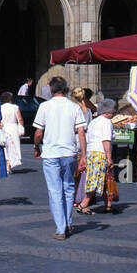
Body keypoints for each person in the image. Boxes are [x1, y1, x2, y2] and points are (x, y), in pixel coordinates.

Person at [32, 76, 88, 241]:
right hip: (69, 153)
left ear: (51, 89)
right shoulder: (74, 107)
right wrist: (83, 155)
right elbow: (81, 132)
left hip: (51, 154)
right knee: (69, 188)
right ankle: (68, 223)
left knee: (55, 191)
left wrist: (36, 147)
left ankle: (60, 228)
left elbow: (38, 132)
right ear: (66, 89)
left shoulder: (44, 106)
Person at [80, 98, 117, 214]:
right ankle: (83, 204)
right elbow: (106, 140)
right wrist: (109, 157)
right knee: (95, 179)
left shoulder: (94, 122)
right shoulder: (106, 122)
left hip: (91, 152)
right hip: (100, 153)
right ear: (108, 112)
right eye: (113, 111)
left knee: (104, 178)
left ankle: (108, 204)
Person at [71, 87, 95, 212]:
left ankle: (74, 197)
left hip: (75, 140)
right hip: (86, 141)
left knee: (73, 172)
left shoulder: (73, 109)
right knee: (82, 172)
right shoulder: (88, 111)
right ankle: (82, 196)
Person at [0, 92, 24, 170]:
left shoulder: (0, 108)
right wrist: (21, 127)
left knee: (5, 146)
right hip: (13, 128)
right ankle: (10, 163)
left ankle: (7, 164)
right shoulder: (15, 107)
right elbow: (20, 119)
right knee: (13, 146)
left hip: (4, 127)